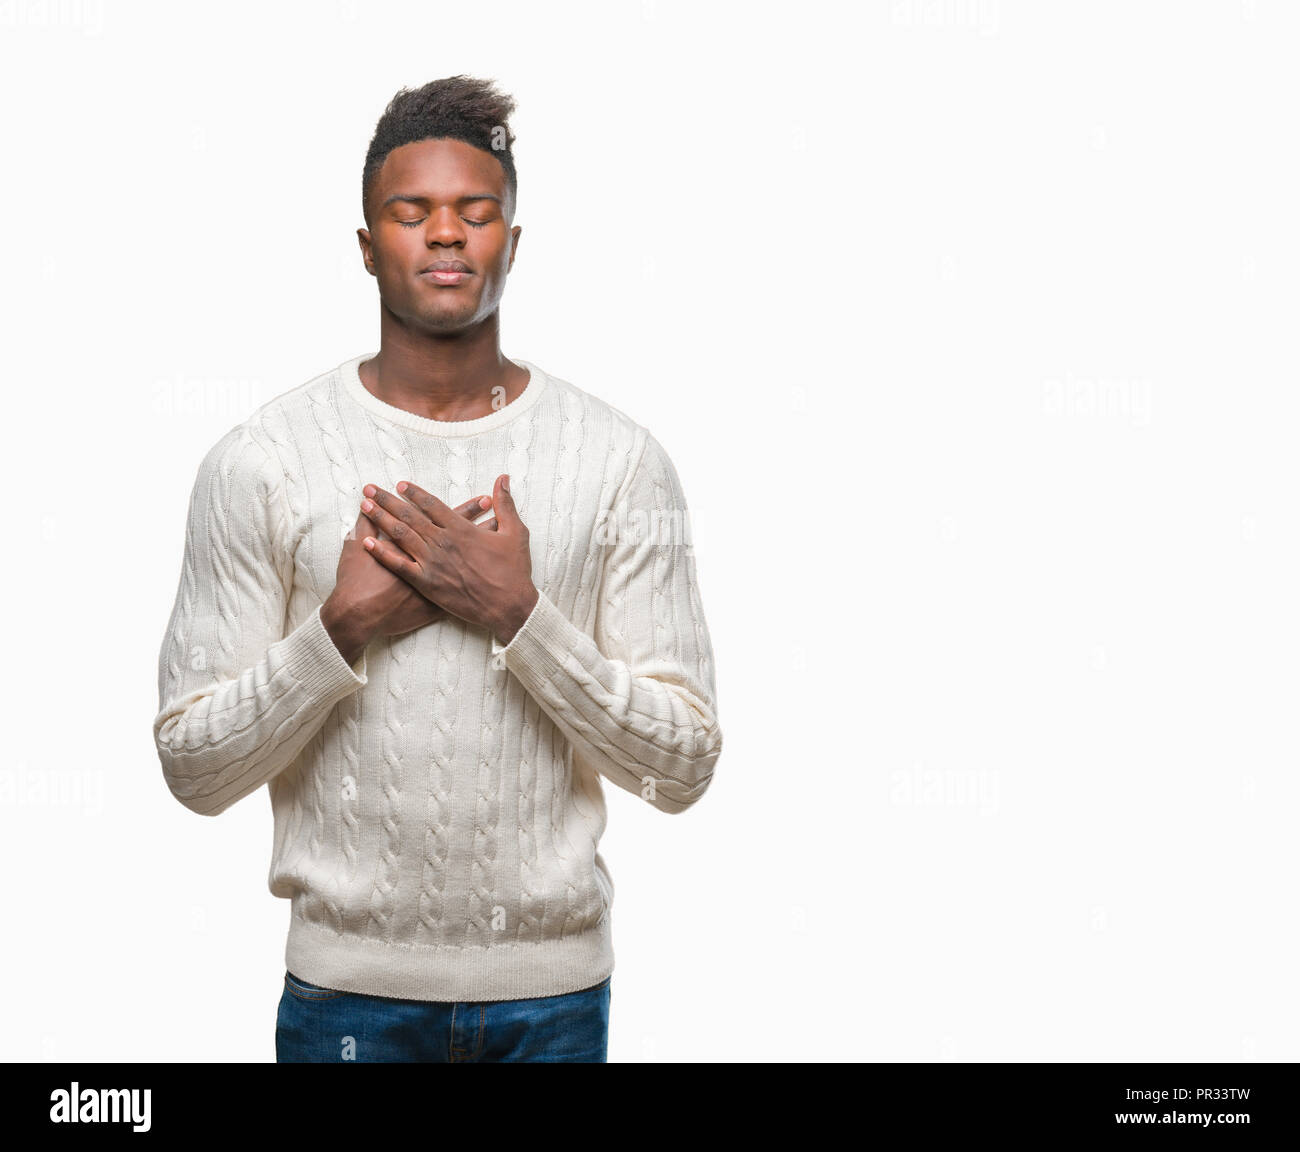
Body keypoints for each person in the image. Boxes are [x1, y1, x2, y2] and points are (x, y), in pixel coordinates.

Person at [151, 75, 723, 1063]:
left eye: (477, 212)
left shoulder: (619, 460)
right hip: (346, 1005)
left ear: (512, 242)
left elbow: (680, 768)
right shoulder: (264, 460)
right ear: (369, 248)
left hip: (553, 1005)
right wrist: (341, 632)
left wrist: (516, 614)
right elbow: (193, 771)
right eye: (411, 214)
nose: (447, 235)